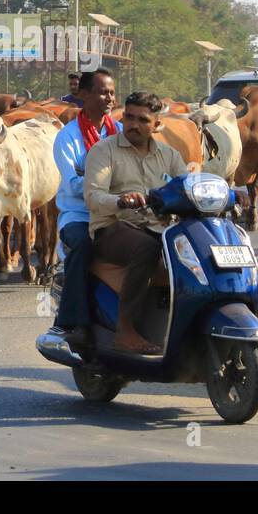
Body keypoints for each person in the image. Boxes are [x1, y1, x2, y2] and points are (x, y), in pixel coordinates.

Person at [84, 91, 187, 354]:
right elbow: (93, 196)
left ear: (157, 125)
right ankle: (125, 331)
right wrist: (120, 200)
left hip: (161, 228)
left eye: (142, 120)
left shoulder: (170, 155)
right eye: (129, 117)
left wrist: (228, 194)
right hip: (114, 227)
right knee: (146, 249)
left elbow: (186, 187)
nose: (133, 125)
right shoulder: (103, 150)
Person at [46, 68, 120, 348]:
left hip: (118, 212)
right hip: (80, 215)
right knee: (84, 246)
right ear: (84, 95)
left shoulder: (121, 133)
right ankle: (71, 323)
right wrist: (110, 188)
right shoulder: (68, 138)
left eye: (112, 92)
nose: (109, 98)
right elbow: (75, 184)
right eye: (102, 92)